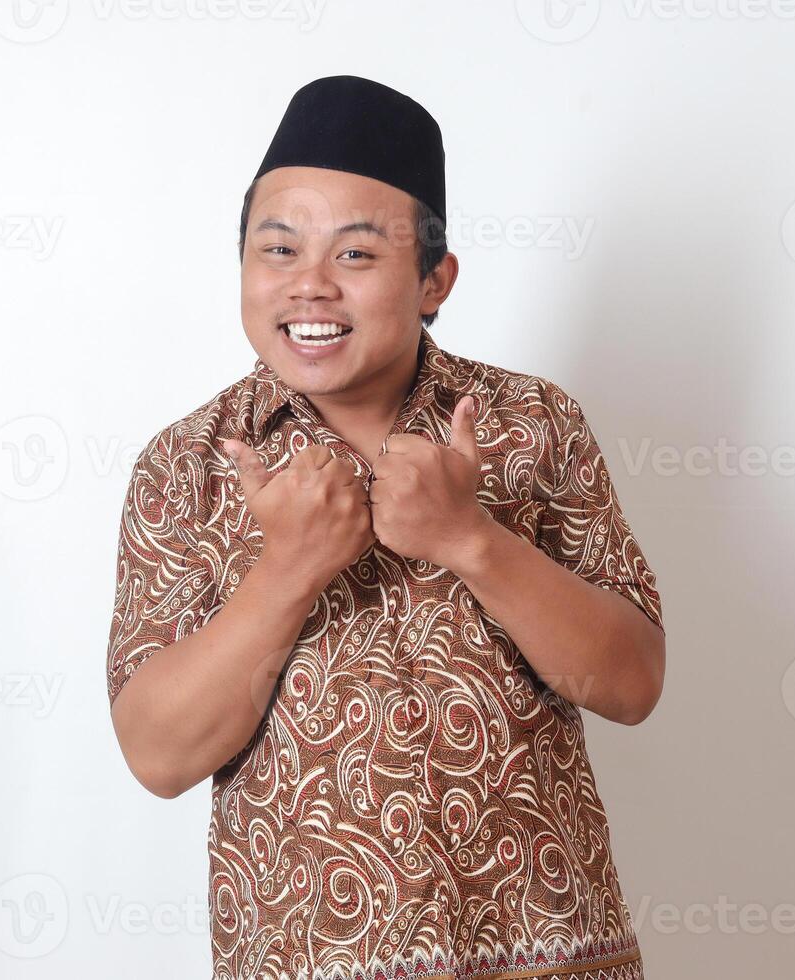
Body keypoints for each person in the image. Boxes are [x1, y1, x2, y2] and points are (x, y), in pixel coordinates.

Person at [106, 74, 666, 980]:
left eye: (357, 256)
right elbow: (159, 755)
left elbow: (633, 683)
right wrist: (286, 570)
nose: (309, 286)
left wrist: (470, 538)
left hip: (552, 958)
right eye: (277, 249)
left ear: (434, 278)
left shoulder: (533, 425)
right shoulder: (188, 465)